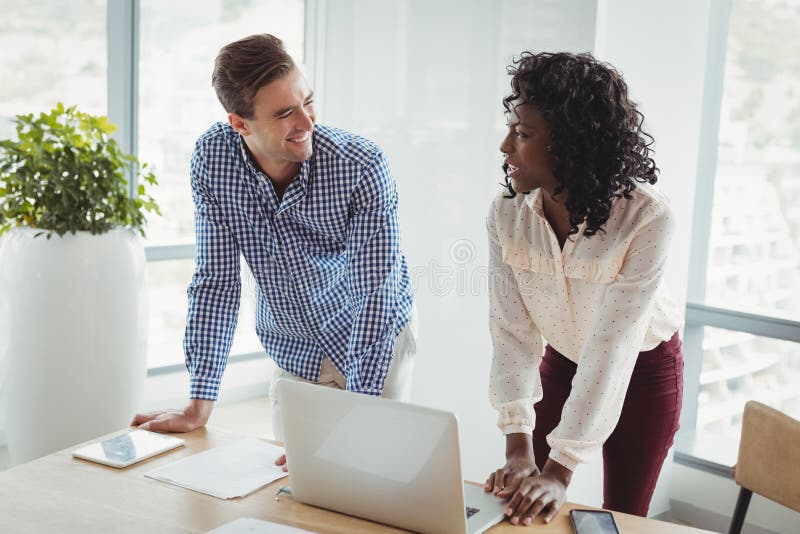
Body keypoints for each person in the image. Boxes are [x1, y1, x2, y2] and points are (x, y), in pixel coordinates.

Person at [131, 35, 417, 467]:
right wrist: (199, 402)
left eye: (308, 102)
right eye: (285, 113)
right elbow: (216, 281)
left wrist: (360, 415)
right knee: (297, 489)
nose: (306, 121)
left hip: (372, 338)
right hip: (292, 348)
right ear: (240, 124)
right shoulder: (214, 159)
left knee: (370, 479)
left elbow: (373, 293)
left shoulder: (360, 165)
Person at [484, 51, 683, 525]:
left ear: (572, 144)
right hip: (563, 358)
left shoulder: (647, 218)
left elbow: (613, 349)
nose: (505, 146)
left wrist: (560, 470)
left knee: (619, 517)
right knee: (523, 505)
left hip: (643, 372)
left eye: (523, 134)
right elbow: (511, 333)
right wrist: (518, 444)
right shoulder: (506, 215)